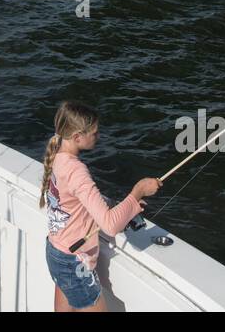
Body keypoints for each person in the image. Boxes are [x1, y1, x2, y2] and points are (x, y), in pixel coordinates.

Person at [40, 101, 160, 312]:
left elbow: (72, 200)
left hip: (55, 250)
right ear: (77, 137)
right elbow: (110, 226)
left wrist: (126, 206)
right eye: (94, 133)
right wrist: (138, 191)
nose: (99, 136)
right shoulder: (76, 171)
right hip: (74, 261)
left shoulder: (57, 157)